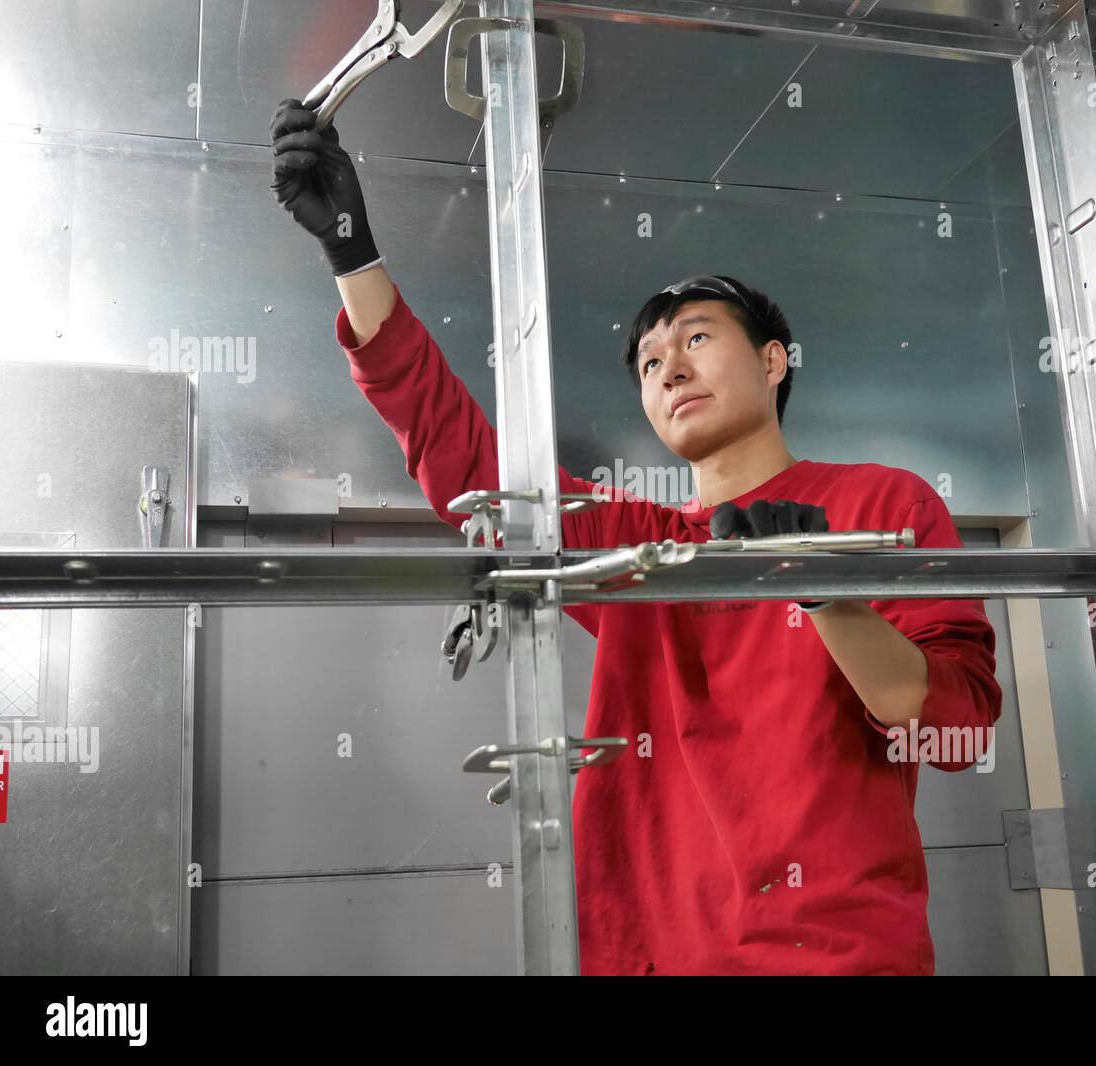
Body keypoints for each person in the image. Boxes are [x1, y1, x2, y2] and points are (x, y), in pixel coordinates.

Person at [269, 99, 1003, 975]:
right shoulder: (635, 547)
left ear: (775, 362)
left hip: (838, 959)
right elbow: (464, 459)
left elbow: (955, 728)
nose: (672, 369)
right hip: (645, 956)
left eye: (698, 339)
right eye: (651, 363)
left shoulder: (881, 502)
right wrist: (352, 252)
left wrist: (823, 588)